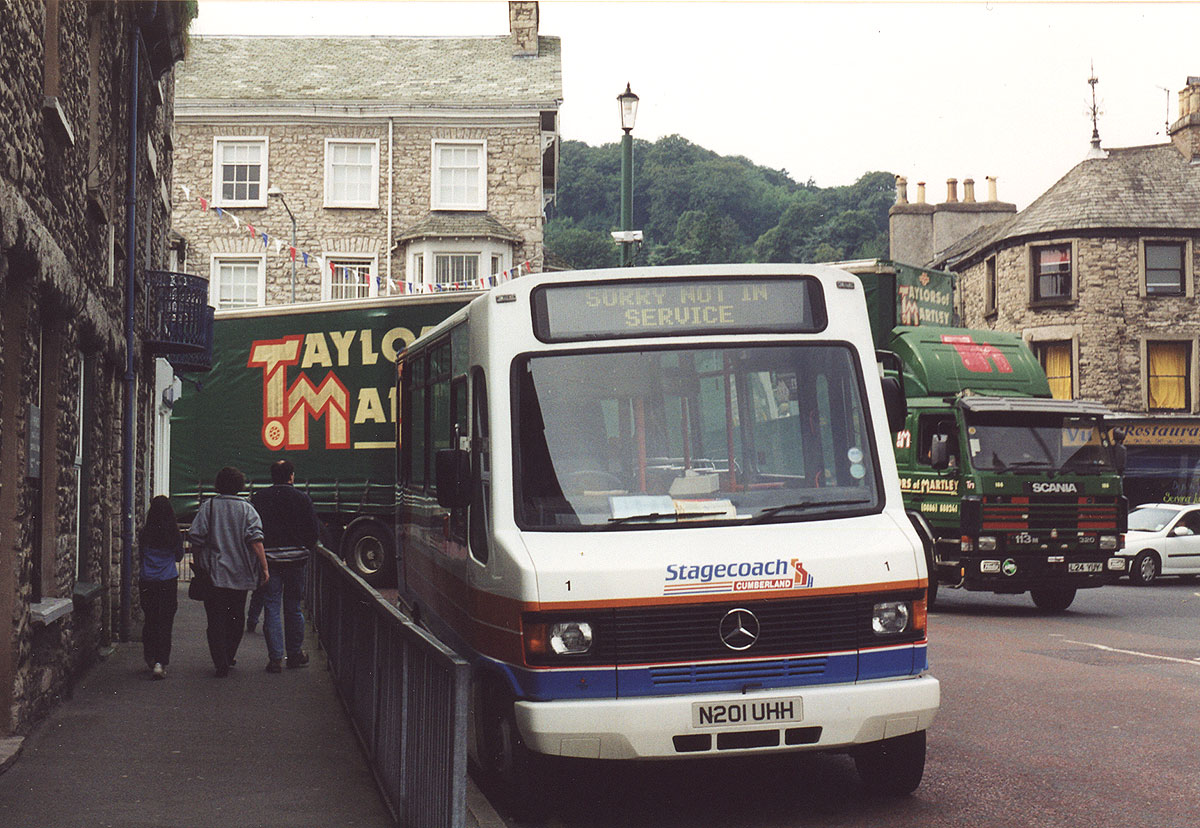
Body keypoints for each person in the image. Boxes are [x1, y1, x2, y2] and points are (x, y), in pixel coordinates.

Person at [188, 466, 268, 677]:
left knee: (215, 619)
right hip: (239, 576)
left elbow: (196, 537)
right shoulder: (248, 510)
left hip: (214, 575)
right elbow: (256, 540)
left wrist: (199, 564)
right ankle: (229, 654)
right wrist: (264, 567)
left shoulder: (209, 507)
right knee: (236, 618)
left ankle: (219, 659)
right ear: (239, 486)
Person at [250, 459, 320, 673]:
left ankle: (275, 658)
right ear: (291, 476)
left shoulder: (259, 498)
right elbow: (313, 532)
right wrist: (305, 548)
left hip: (269, 561)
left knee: (271, 606)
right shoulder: (302, 499)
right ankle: (295, 653)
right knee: (293, 606)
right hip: (296, 561)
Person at [138, 495, 185, 680]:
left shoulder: (144, 533)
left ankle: (149, 656)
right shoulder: (174, 534)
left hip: (147, 580)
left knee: (150, 619)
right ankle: (160, 662)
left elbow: (141, 555)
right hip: (167, 580)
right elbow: (179, 557)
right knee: (165, 621)